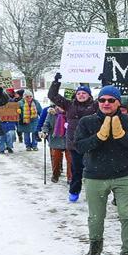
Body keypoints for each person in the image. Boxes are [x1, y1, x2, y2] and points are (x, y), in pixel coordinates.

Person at [71, 85, 128, 255]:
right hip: (95, 176)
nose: (106, 103)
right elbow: (79, 146)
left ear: (118, 102)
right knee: (96, 217)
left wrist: (122, 135)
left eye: (111, 100)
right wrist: (99, 137)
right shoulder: (87, 121)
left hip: (124, 175)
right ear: (98, 102)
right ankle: (95, 245)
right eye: (102, 100)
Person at [48, 74, 100, 202]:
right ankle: (74, 191)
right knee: (76, 169)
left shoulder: (95, 106)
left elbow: (108, 97)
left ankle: (94, 192)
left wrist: (105, 81)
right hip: (74, 143)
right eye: (79, 93)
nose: (81, 95)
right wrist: (56, 82)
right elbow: (53, 96)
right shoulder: (69, 105)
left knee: (93, 169)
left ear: (89, 95)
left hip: (91, 143)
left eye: (84, 93)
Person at [41, 104, 70, 183]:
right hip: (56, 139)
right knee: (56, 159)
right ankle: (55, 175)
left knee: (70, 160)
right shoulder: (51, 113)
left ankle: (70, 177)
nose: (61, 107)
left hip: (69, 140)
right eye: (59, 106)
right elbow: (46, 124)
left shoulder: (71, 113)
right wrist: (44, 131)